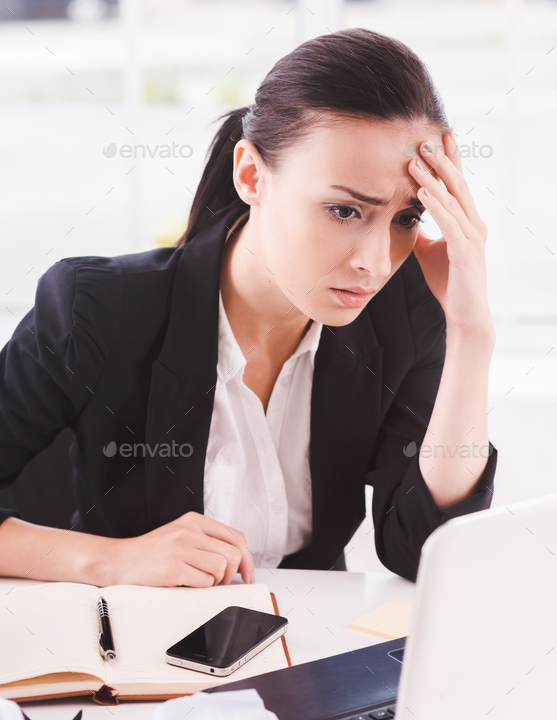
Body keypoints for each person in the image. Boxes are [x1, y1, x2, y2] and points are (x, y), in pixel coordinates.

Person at [0, 28, 497, 588]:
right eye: (344, 211)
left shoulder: (406, 311)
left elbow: (423, 552)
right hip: (130, 647)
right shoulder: (94, 308)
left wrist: (471, 333)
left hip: (307, 651)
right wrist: (112, 560)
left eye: (407, 217)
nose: (377, 263)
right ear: (251, 175)